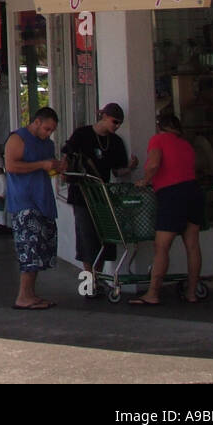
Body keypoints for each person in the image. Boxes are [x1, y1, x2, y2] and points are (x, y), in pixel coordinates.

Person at [61, 102, 138, 297]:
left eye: (119, 123)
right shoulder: (82, 134)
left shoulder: (115, 142)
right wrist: (65, 172)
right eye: (114, 122)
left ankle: (98, 277)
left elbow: (117, 171)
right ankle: (89, 280)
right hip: (82, 192)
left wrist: (130, 168)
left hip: (102, 193)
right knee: (86, 236)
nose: (116, 126)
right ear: (104, 117)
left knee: (104, 236)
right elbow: (67, 155)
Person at [130, 113, 204, 306]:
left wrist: (145, 180)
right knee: (193, 246)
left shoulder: (158, 139)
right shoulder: (186, 144)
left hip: (172, 194)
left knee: (162, 246)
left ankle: (152, 294)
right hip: (194, 192)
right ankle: (192, 293)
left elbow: (154, 163)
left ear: (160, 126)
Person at [4, 107, 62, 310]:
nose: (48, 133)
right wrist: (41, 165)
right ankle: (23, 296)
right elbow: (11, 166)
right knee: (29, 249)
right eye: (46, 129)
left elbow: (49, 170)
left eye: (52, 130)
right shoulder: (18, 139)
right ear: (37, 122)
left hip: (43, 200)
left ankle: (30, 294)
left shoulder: (48, 144)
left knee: (39, 251)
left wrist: (57, 168)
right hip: (24, 201)